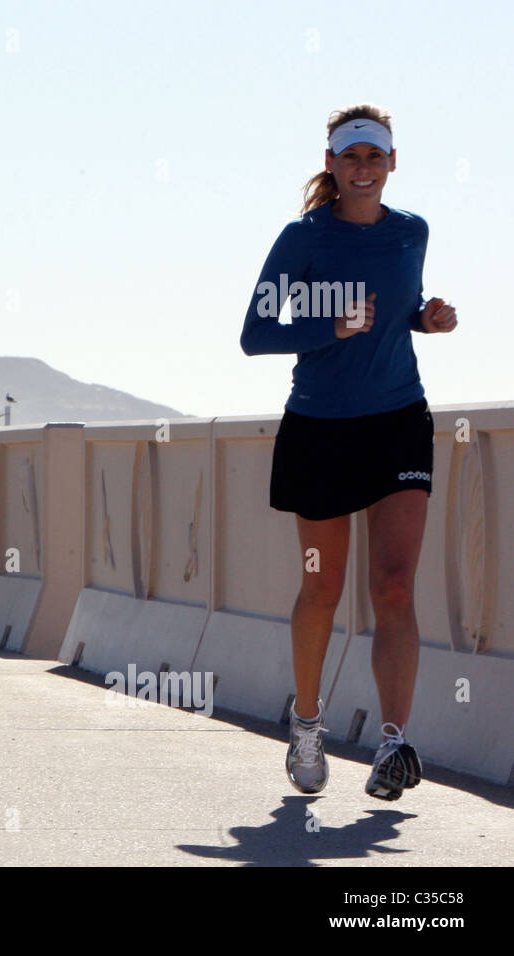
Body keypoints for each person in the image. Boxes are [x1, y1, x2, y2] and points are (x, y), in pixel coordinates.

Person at [241, 105, 458, 801]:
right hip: (321, 430)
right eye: (351, 156)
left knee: (394, 585)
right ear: (331, 164)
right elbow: (253, 334)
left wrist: (426, 319)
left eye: (375, 156)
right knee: (322, 588)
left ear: (392, 164)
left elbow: (401, 310)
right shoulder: (302, 238)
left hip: (398, 421)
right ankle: (307, 724)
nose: (363, 168)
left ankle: (393, 744)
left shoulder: (410, 234)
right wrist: (326, 328)